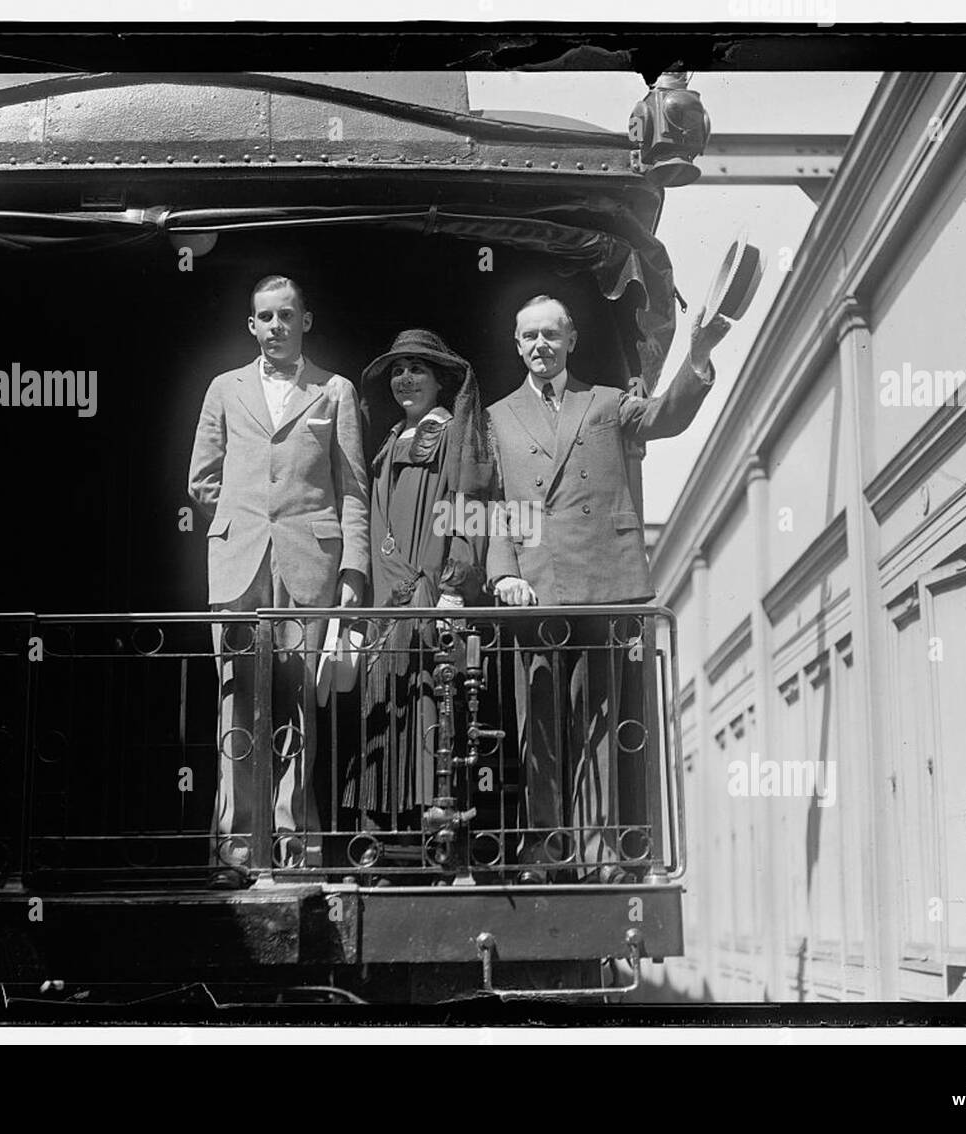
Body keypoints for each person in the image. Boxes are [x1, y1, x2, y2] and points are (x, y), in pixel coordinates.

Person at [488, 294, 730, 883]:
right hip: (538, 588)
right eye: (529, 337)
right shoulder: (497, 416)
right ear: (516, 346)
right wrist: (503, 572)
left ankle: (599, 852)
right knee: (540, 723)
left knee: (601, 723)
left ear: (571, 339)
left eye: (551, 334)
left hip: (604, 583)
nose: (540, 345)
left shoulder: (605, 402)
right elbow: (496, 505)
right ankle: (545, 850)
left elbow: (664, 417)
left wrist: (695, 358)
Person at [188, 275, 368, 887]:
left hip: (308, 566)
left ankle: (292, 848)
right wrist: (244, 523)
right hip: (240, 566)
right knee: (236, 704)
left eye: (286, 315)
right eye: (264, 317)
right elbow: (202, 479)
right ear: (251, 326)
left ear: (305, 320)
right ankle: (235, 849)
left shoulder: (335, 390)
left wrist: (351, 570)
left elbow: (353, 491)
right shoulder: (223, 388)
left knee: (295, 704)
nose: (275, 327)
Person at [340, 329, 494, 834]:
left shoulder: (453, 433)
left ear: (441, 380)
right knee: (384, 721)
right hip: (386, 605)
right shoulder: (389, 441)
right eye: (398, 370)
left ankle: (434, 844)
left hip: (428, 597)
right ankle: (382, 845)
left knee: (430, 713)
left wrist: (453, 584)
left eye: (417, 369)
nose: (405, 379)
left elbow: (468, 508)